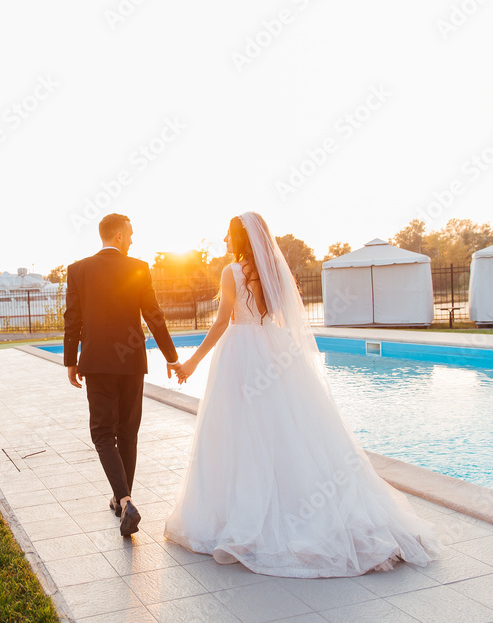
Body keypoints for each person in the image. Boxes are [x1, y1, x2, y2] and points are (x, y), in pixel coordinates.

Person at [164, 212, 441, 577]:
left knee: (239, 433)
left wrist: (192, 362)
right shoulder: (274, 273)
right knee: (286, 430)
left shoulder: (231, 273)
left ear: (240, 238)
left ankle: (244, 515)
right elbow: (280, 315)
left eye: (229, 235)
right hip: (275, 351)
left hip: (240, 355)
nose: (225, 241)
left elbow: (221, 323)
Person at [64, 213, 181, 537]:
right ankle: (123, 500)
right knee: (128, 432)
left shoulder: (78, 270)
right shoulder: (138, 268)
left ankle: (124, 499)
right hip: (130, 362)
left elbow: (72, 319)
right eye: (129, 234)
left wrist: (71, 360)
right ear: (117, 236)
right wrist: (171, 357)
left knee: (103, 433)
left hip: (97, 363)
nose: (132, 240)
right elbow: (154, 316)